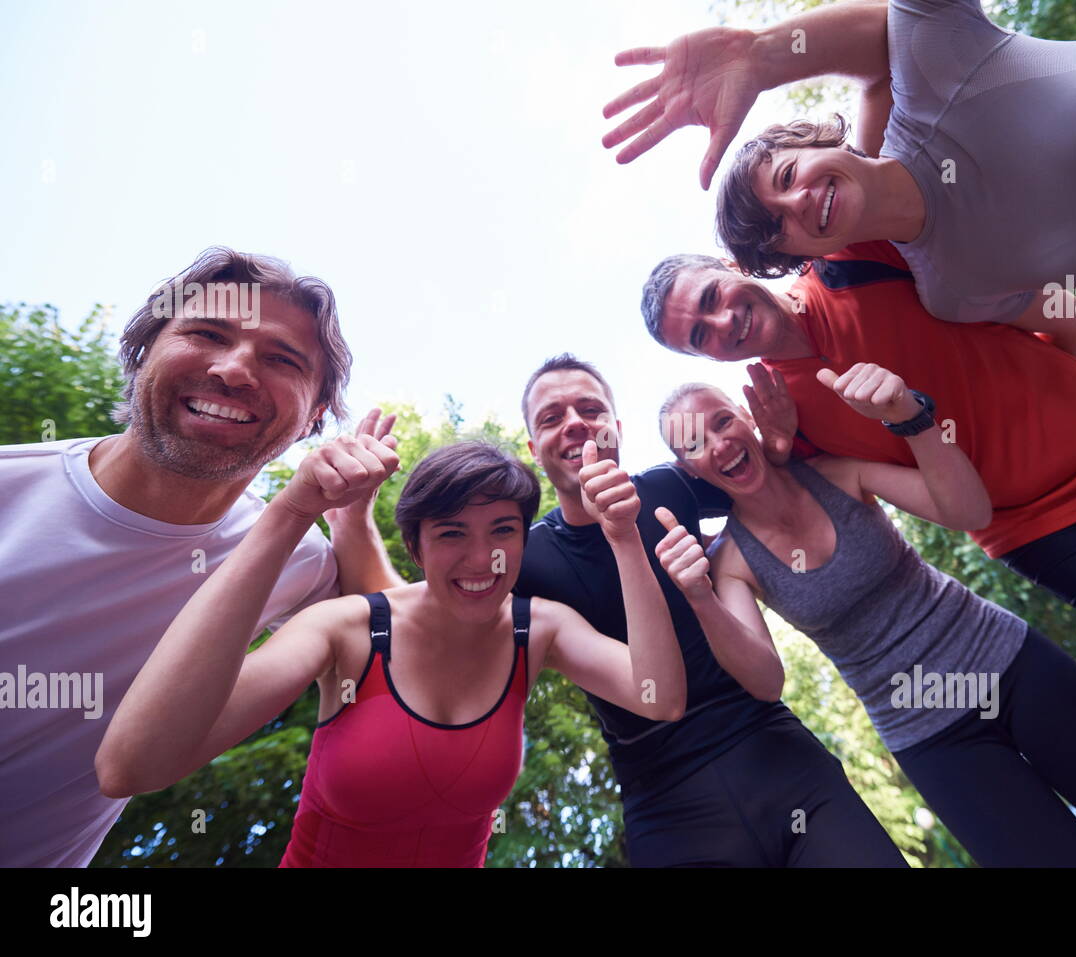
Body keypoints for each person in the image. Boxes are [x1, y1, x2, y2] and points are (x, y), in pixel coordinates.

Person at [638, 250, 1076, 700]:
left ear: (729, 264)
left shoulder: (851, 256)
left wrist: (1057, 385)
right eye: (699, 335)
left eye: (711, 297)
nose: (721, 323)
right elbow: (816, 491)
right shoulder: (791, 426)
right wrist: (783, 449)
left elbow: (1055, 301)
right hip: (1052, 535)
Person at [653, 374, 1076, 866]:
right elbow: (766, 682)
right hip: (929, 736)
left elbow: (966, 507)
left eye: (722, 421)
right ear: (691, 470)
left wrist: (910, 418)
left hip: (1012, 665)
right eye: (695, 443)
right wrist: (699, 596)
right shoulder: (730, 563)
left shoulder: (837, 472)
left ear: (746, 417)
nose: (718, 443)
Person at [97, 439, 689, 868]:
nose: (483, 559)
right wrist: (292, 510)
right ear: (416, 545)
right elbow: (131, 766)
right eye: (453, 533)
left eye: (503, 531)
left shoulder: (540, 630)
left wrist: (624, 540)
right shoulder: (347, 630)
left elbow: (658, 699)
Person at [0, 247, 398, 868]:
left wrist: (353, 521)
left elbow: (406, 650)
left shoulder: (298, 562)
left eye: (282, 360)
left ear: (314, 417)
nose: (236, 370)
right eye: (207, 333)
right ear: (141, 356)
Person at [604, 0, 1076, 325]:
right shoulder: (953, 294)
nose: (797, 201)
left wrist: (760, 54)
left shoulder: (939, 73)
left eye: (786, 176)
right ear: (809, 252)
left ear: (821, 141)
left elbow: (889, 30)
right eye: (780, 227)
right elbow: (1067, 329)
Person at [512, 354, 908, 866]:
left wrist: (783, 444)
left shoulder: (670, 487)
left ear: (616, 427)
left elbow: (756, 468)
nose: (574, 423)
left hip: (774, 749)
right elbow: (437, 614)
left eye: (590, 408)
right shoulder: (527, 557)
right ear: (532, 449)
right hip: (664, 798)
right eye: (551, 417)